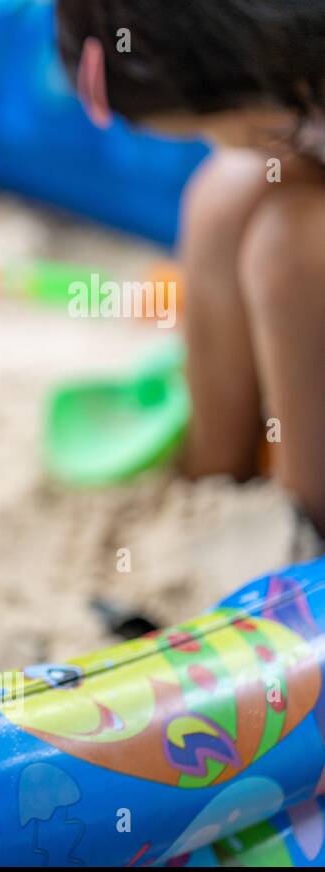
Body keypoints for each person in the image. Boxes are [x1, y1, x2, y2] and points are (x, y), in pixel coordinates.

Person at [57, 0, 325, 535]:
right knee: (222, 197)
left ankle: (305, 528)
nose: (220, 141)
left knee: (287, 253)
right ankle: (217, 477)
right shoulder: (285, 74)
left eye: (211, 125)